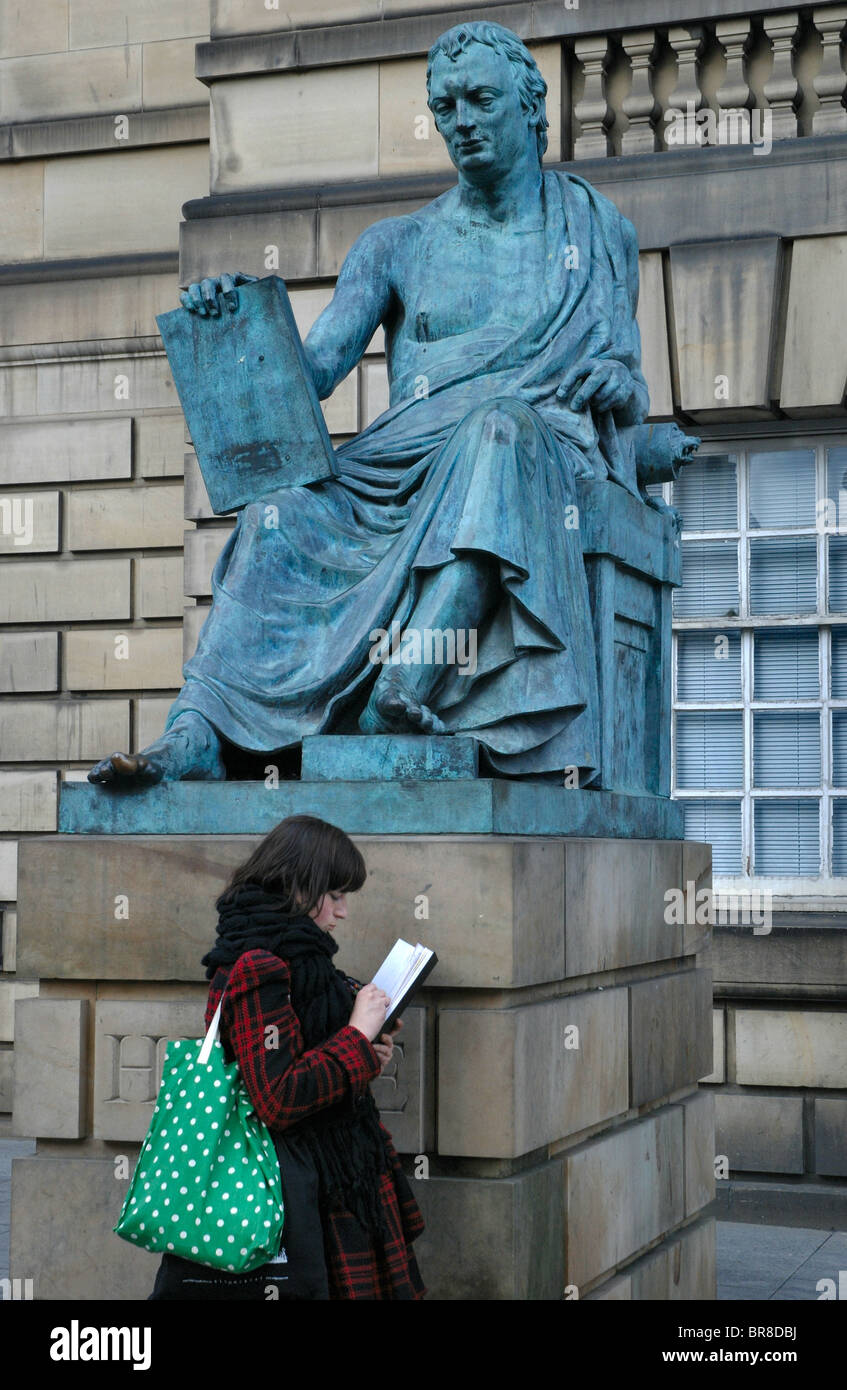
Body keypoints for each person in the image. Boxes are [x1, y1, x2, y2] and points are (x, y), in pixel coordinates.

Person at [88, 19, 650, 791]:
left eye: (480, 99)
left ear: (530, 106)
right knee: (276, 514)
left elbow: (626, 376)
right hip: (396, 466)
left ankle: (405, 685)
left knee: (498, 431)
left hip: (521, 454)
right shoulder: (395, 245)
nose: (461, 120)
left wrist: (618, 388)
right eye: (444, 105)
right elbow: (313, 372)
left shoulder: (595, 232)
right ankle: (199, 732)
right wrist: (231, 324)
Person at [148, 814, 426, 1300]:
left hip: (338, 1174)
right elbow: (277, 1097)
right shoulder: (259, 965)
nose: (342, 912)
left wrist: (366, 1052)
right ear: (299, 888)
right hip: (297, 1187)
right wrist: (357, 1037)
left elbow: (314, 1056)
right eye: (335, 896)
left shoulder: (304, 959)